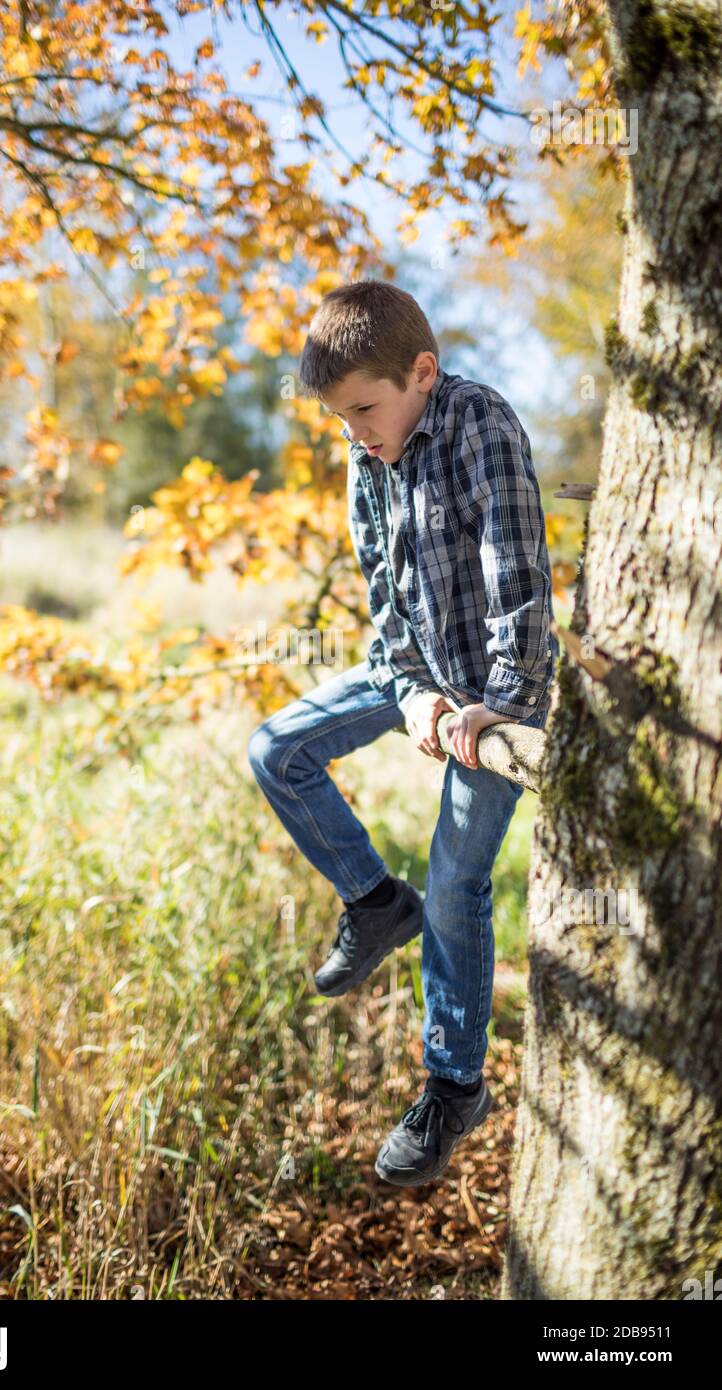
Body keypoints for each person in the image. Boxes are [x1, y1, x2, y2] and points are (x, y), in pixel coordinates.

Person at [247, 279, 559, 1187]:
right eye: (340, 418)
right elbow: (382, 600)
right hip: (420, 675)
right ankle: (374, 902)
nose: (354, 431)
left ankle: (455, 1084)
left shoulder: (479, 423)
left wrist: (497, 700)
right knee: (278, 749)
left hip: (502, 695)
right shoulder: (366, 457)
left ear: (422, 372)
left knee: (458, 874)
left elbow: (519, 573)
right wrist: (414, 693)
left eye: (364, 409)